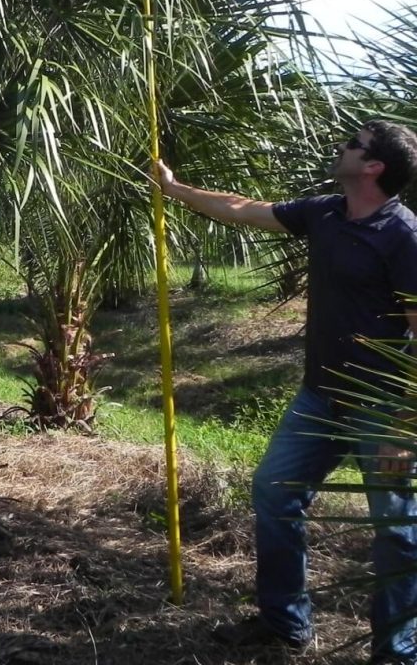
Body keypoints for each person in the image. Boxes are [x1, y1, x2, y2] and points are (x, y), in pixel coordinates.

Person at [157, 120, 417, 664]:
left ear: (373, 167)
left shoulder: (404, 236)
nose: (341, 145)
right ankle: (285, 624)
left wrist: (401, 429)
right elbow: (243, 208)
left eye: (355, 144)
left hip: (382, 407)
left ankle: (397, 651)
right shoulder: (323, 211)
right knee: (275, 491)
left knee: (396, 530)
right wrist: (174, 188)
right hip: (321, 396)